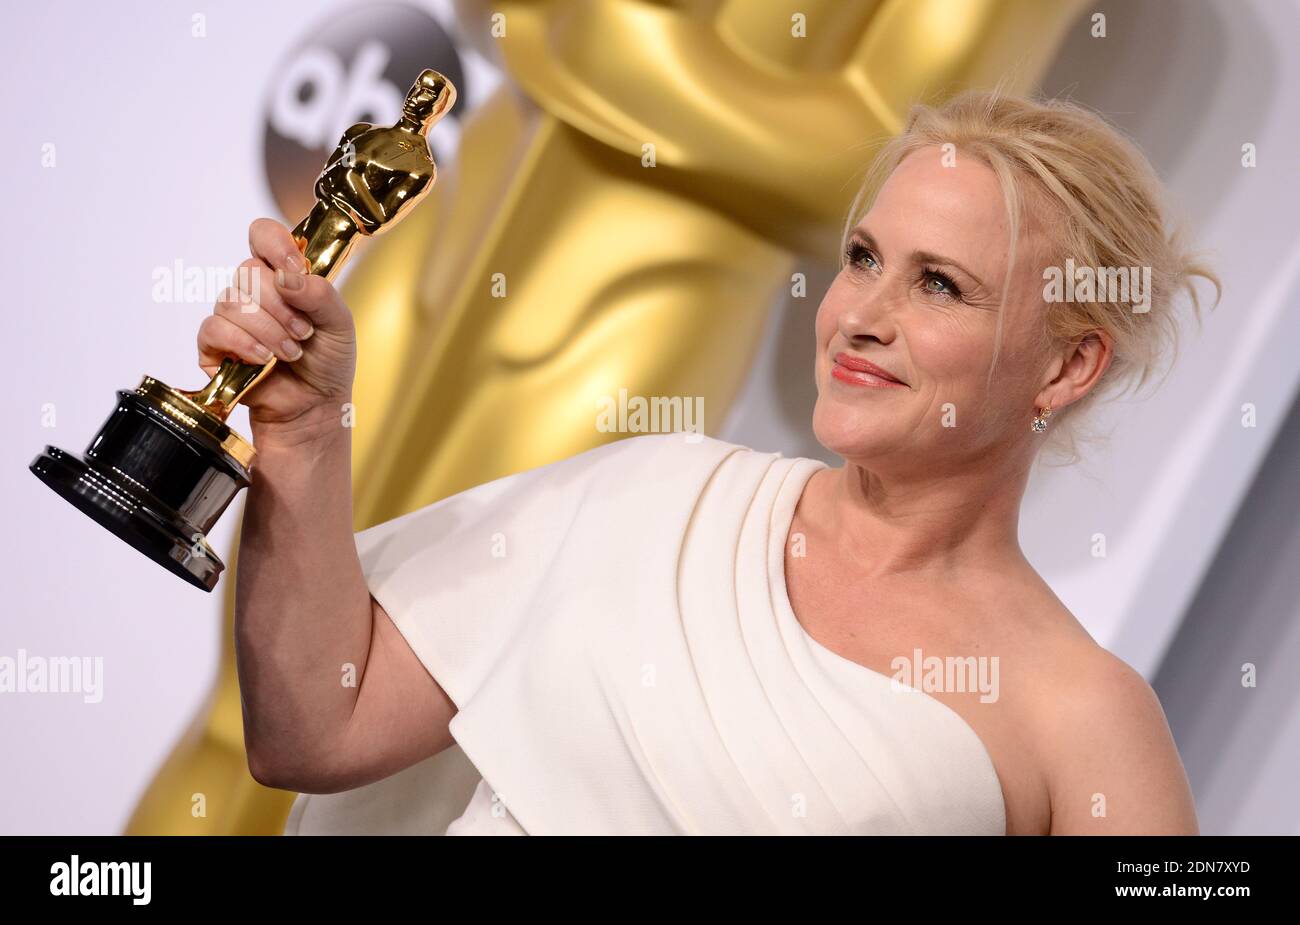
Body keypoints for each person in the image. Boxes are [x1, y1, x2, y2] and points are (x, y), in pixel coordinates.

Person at [202, 89, 1219, 835]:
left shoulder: (1083, 716)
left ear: (1067, 364)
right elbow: (313, 732)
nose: (860, 317)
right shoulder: (652, 497)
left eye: (939, 285)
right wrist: (301, 435)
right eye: (862, 259)